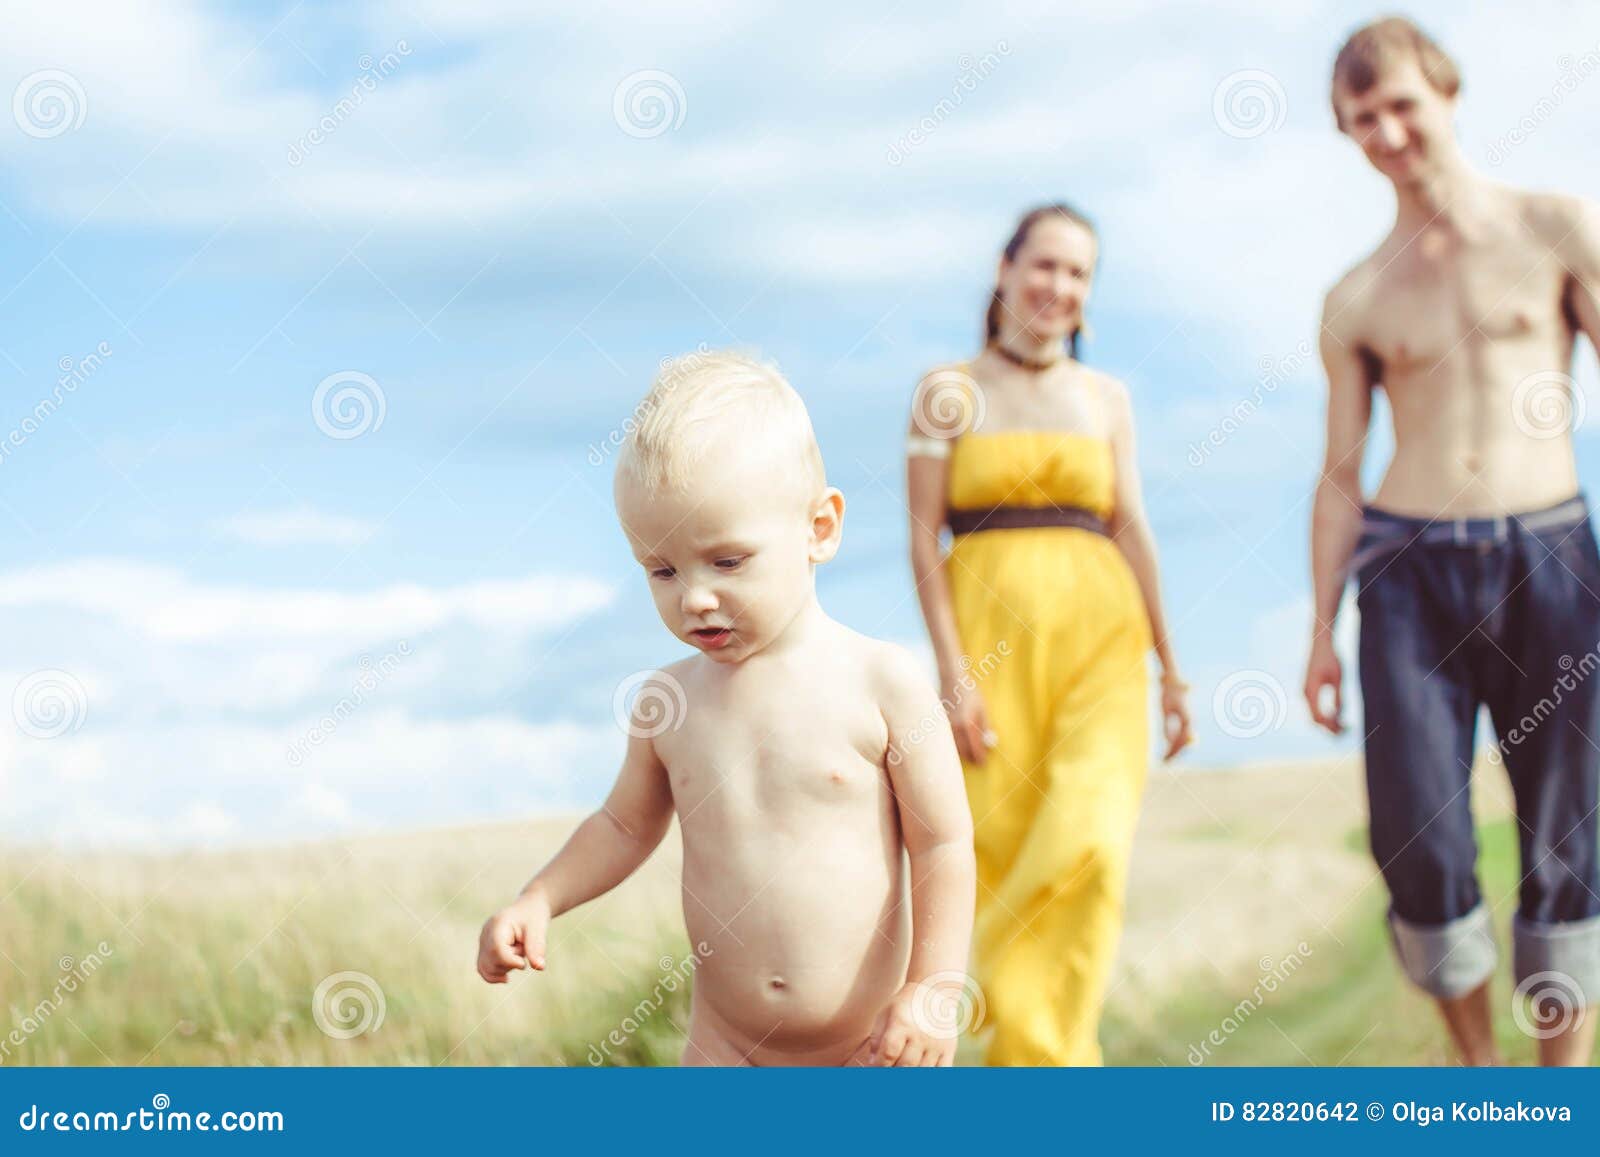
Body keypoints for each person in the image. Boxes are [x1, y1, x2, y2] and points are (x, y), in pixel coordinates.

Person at [477, 350, 976, 1066]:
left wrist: (932, 989)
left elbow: (943, 845)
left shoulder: (883, 682)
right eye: (662, 569)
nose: (695, 597)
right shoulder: (668, 703)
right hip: (724, 1047)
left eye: (728, 561)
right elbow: (622, 825)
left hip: (872, 1050)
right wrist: (539, 898)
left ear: (819, 528)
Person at [1304, 16, 1600, 1066]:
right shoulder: (1355, 295)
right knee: (1418, 835)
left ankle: (1558, 1097)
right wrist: (1319, 629)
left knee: (1568, 830)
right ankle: (1481, 1083)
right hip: (1406, 570)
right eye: (1362, 119)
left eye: (1401, 105)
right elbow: (1339, 472)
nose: (1387, 134)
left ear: (1448, 94)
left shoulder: (1556, 227)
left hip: (1550, 550)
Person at [906, 204, 1192, 1065]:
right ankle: (1013, 1064)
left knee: (1089, 844)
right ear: (1005, 268)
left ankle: (1057, 1064)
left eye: (1078, 273)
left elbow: (1132, 526)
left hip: (1104, 644)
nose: (1059, 286)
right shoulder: (947, 388)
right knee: (996, 852)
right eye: (1045, 265)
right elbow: (922, 537)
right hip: (991, 646)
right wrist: (954, 673)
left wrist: (1173, 669)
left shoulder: (1106, 398)